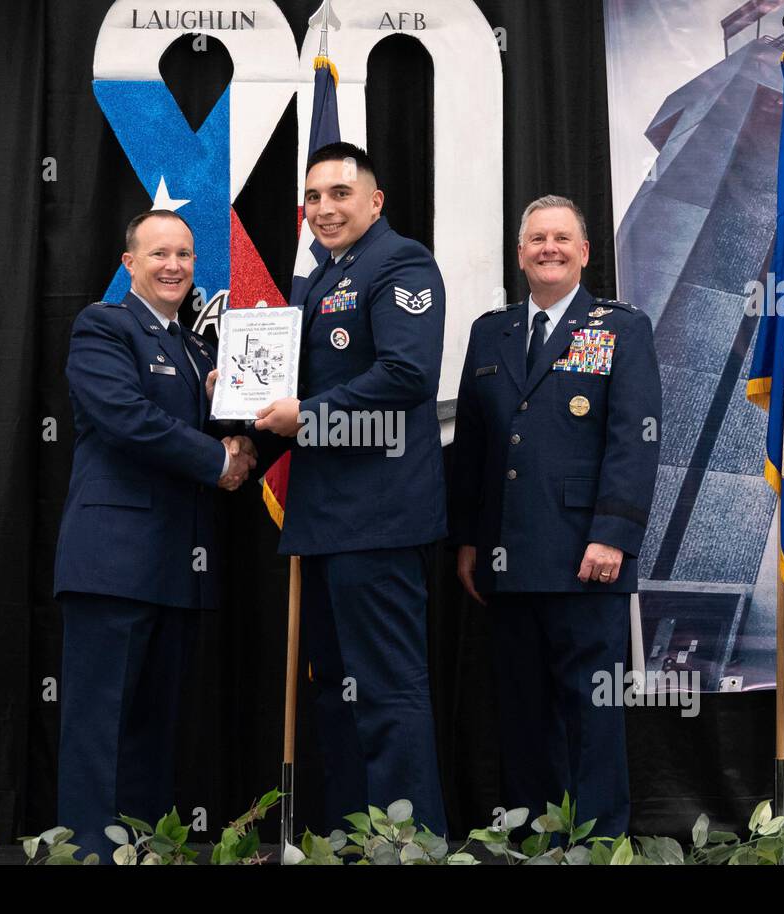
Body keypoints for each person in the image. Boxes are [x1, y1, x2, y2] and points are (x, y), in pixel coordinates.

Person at [449, 195, 661, 837]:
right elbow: (475, 445)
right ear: (520, 254)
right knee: (522, 709)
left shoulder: (621, 327)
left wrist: (612, 535)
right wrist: (467, 539)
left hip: (585, 555)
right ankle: (533, 839)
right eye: (537, 239)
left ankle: (598, 843)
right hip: (507, 557)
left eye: (562, 238)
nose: (549, 249)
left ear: (584, 251)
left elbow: (637, 437)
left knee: (592, 711)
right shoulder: (492, 332)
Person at [254, 142, 447, 835]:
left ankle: (410, 848)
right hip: (324, 520)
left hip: (380, 519)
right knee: (336, 697)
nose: (325, 209)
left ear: (375, 201)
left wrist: (304, 415)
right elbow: (298, 387)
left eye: (339, 193)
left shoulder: (401, 263)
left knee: (389, 694)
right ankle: (350, 843)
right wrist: (241, 399)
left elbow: (405, 375)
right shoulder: (312, 282)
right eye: (314, 198)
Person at [53, 209, 254, 861]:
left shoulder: (199, 350)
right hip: (110, 562)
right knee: (100, 728)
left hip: (176, 567)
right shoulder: (103, 327)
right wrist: (218, 459)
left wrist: (238, 418)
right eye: (160, 253)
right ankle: (91, 853)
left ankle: (139, 849)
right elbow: (129, 420)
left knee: (150, 731)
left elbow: (212, 438)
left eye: (186, 255)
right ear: (129, 263)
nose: (174, 266)